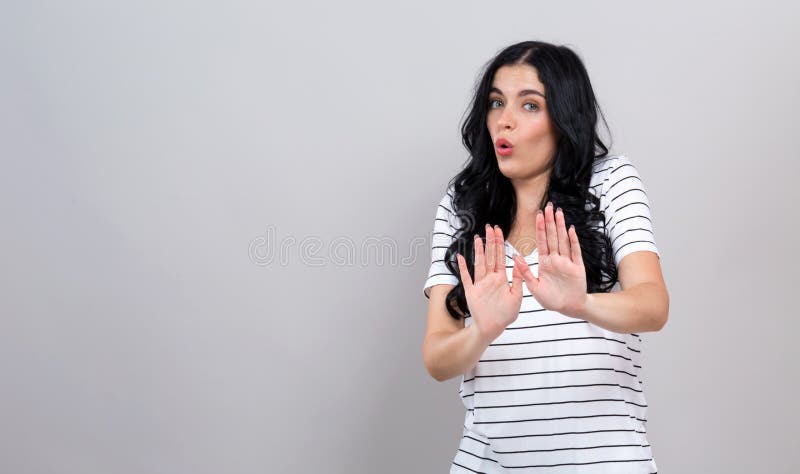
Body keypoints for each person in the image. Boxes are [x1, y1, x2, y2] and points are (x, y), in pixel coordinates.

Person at [421, 40, 669, 473]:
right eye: (496, 103)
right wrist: (483, 332)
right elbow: (438, 359)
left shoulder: (610, 182)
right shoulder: (461, 206)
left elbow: (653, 306)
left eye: (530, 105)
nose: (505, 121)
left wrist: (582, 304)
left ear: (564, 118)